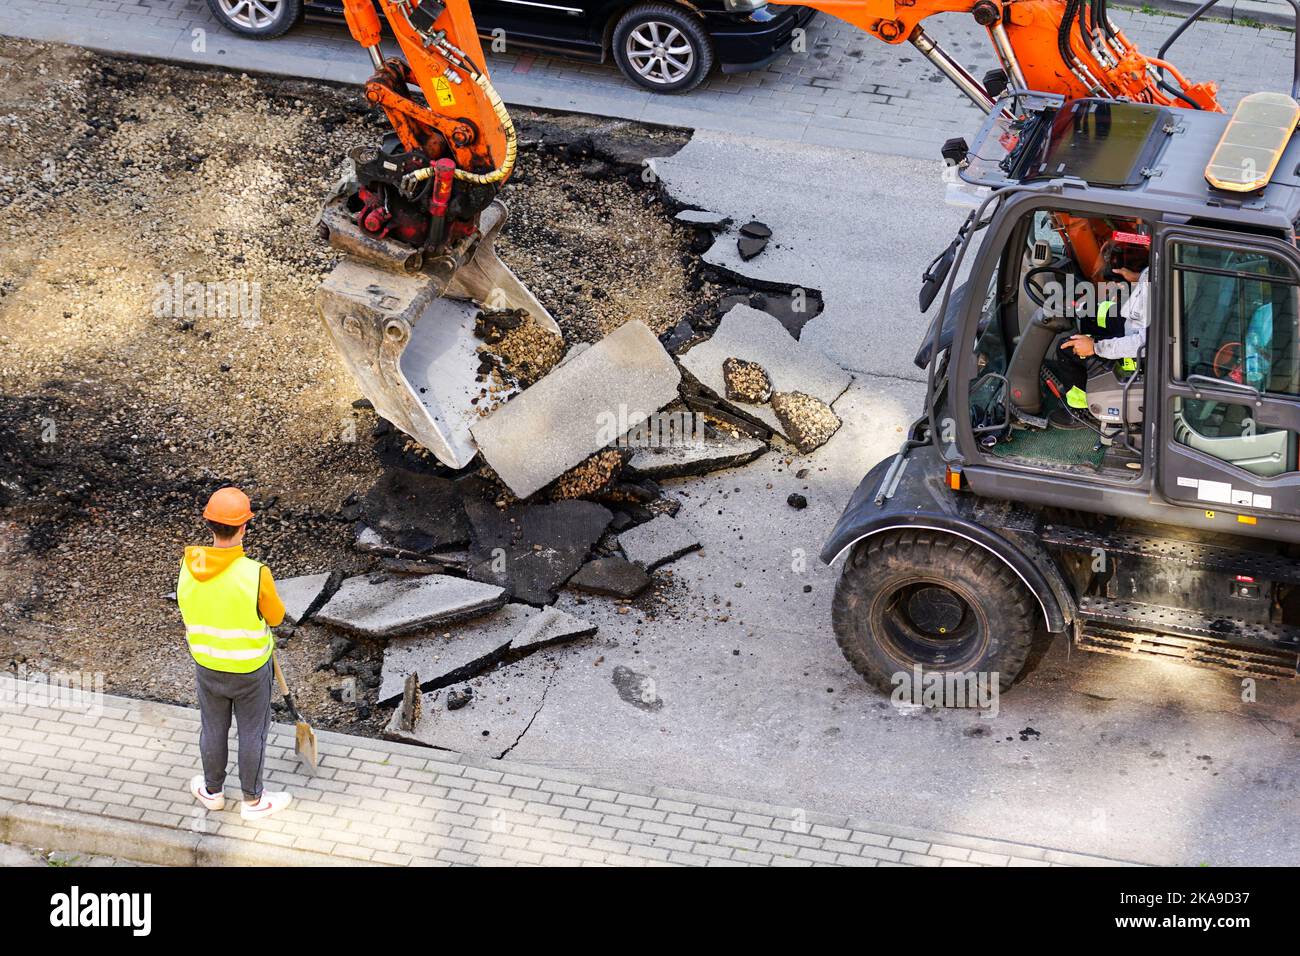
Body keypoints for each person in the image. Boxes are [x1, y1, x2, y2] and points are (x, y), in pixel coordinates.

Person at [177, 486, 293, 821]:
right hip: (250, 671)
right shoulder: (254, 574)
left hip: (207, 665)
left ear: (209, 524)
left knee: (212, 727)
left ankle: (212, 792)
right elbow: (275, 617)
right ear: (244, 527)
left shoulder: (187, 566)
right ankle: (254, 801)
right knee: (251, 732)